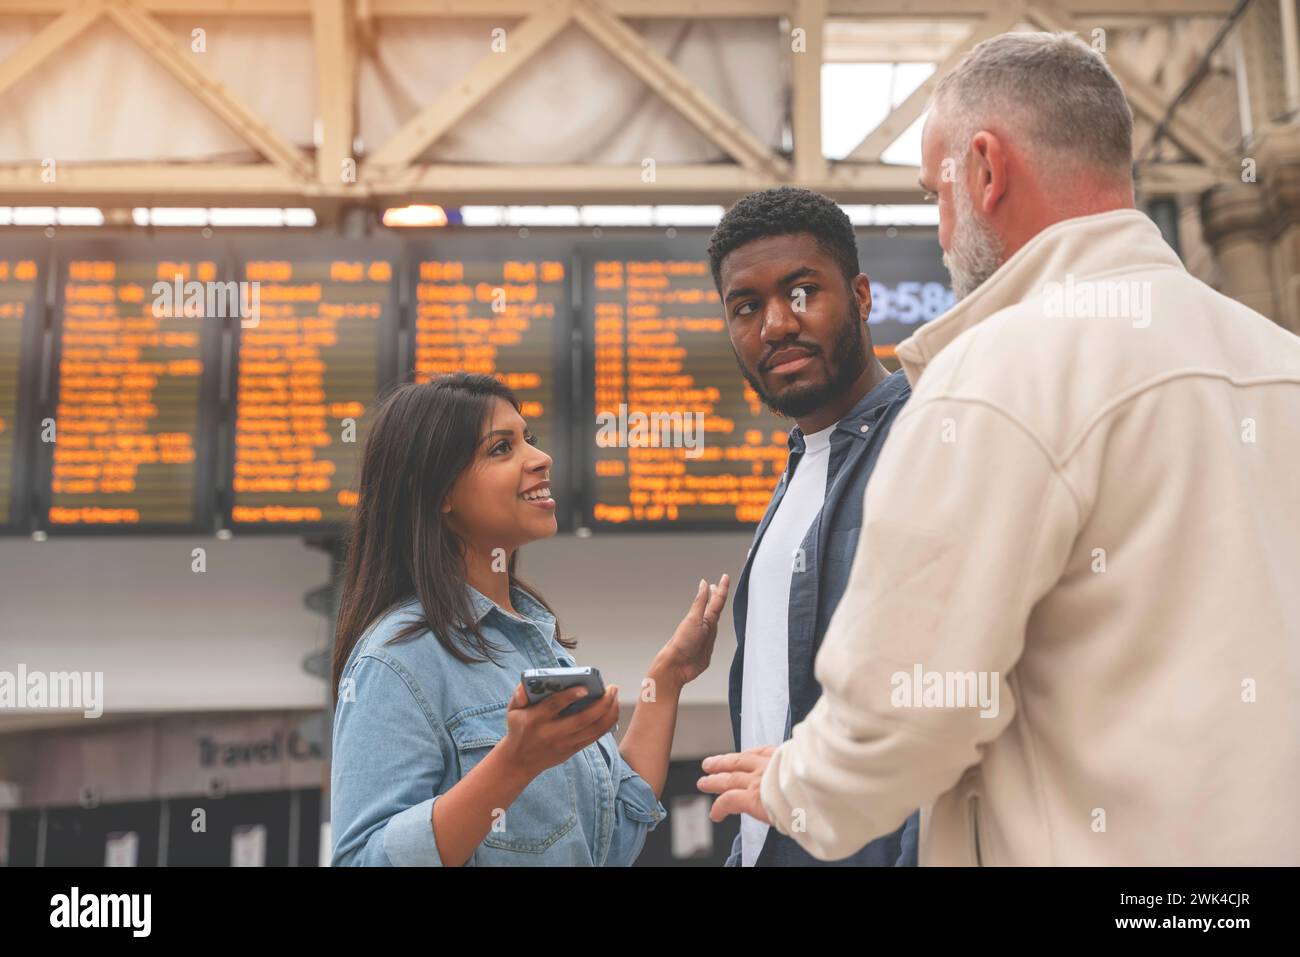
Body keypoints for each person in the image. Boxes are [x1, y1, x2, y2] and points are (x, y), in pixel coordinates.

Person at [698, 31, 1300, 865]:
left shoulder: (994, 374)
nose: (942, 228)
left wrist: (788, 788)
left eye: (934, 195)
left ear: (984, 170)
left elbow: (907, 713)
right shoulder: (1282, 364)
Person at [330, 373, 729, 866]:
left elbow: (610, 840)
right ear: (439, 493)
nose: (541, 459)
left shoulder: (527, 641)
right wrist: (515, 762)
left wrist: (666, 679)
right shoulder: (395, 660)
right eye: (501, 448)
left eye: (529, 440)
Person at [705, 186, 919, 866]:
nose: (775, 324)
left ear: (860, 295)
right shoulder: (798, 470)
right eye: (746, 306)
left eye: (800, 292)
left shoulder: (929, 440)